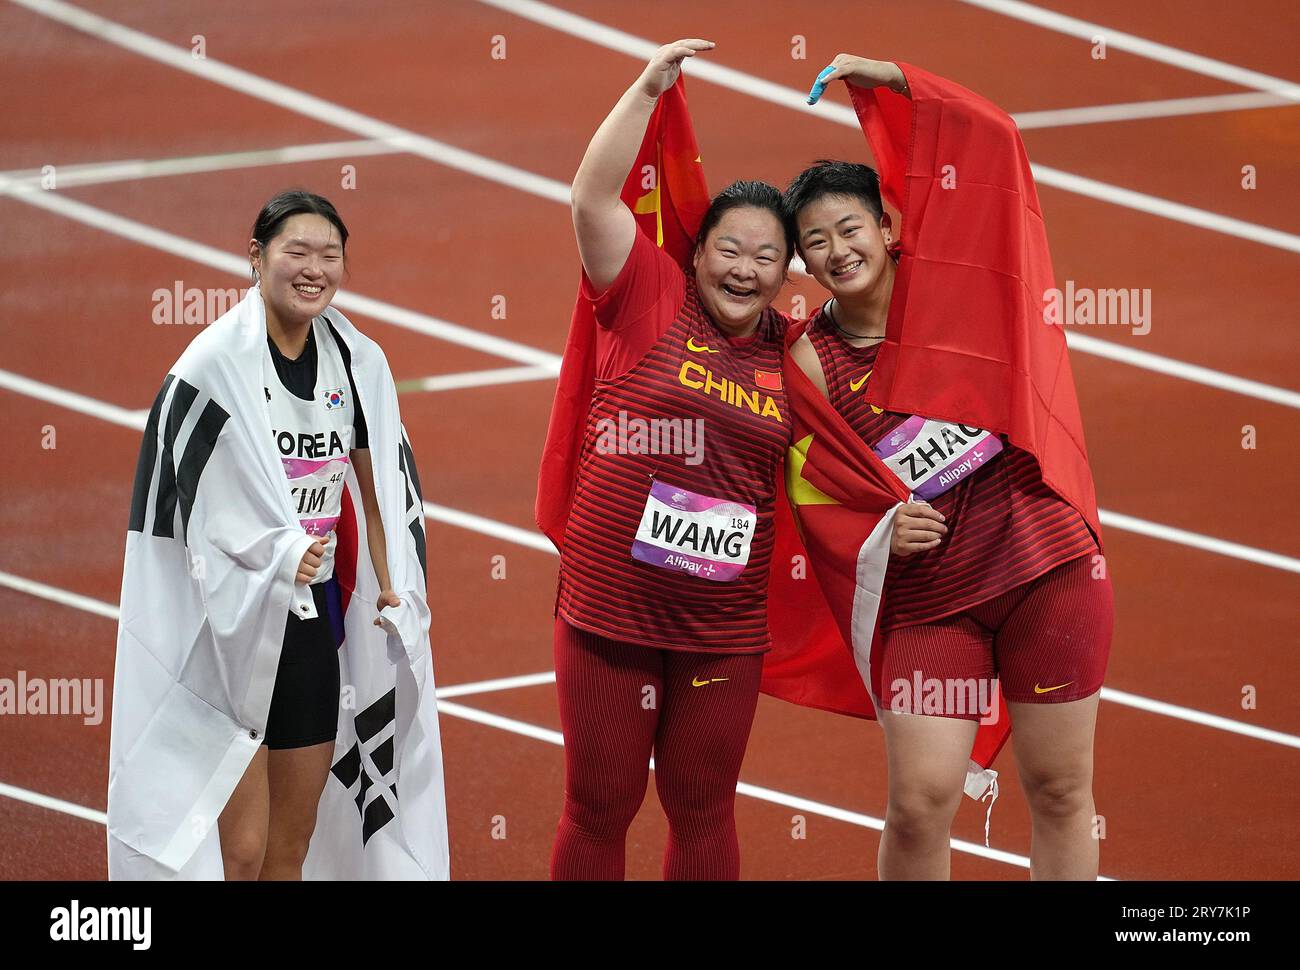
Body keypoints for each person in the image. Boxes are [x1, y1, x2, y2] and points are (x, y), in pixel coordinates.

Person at [787, 56, 1113, 880]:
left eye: (850, 228)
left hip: (1047, 569)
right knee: (920, 804)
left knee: (1061, 790)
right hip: (935, 605)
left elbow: (996, 141)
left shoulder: (965, 293)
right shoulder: (811, 365)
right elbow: (808, 492)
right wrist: (877, 532)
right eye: (815, 242)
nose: (837, 250)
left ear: (889, 227)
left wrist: (889, 78)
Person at [108, 190, 448, 881]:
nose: (314, 268)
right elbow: (192, 510)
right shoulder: (212, 367)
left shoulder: (355, 363)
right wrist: (280, 551)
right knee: (243, 850)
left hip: (309, 626)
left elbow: (377, 491)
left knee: (289, 847)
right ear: (257, 257)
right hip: (227, 634)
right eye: (297, 251)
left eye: (330, 254)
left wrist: (391, 585)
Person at [548, 39, 795, 880]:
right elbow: (590, 197)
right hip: (611, 613)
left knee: (701, 810)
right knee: (600, 805)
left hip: (720, 633)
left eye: (767, 257)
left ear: (786, 272)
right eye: (731, 249)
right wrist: (648, 89)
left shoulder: (792, 354)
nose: (746, 269)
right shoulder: (650, 293)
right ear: (698, 252)